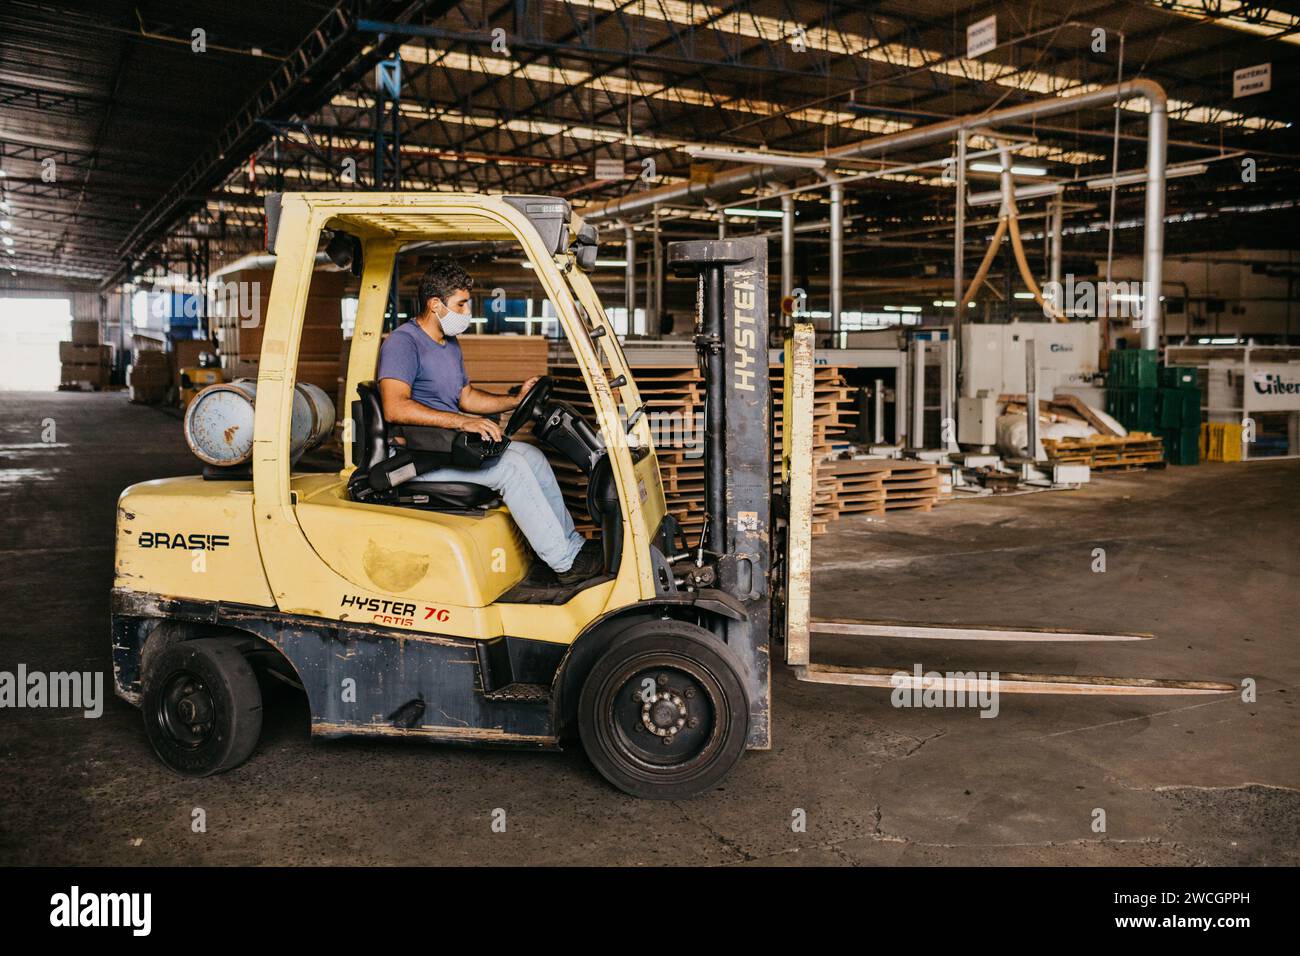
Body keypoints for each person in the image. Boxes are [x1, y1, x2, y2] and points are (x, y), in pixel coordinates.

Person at [377, 259, 604, 586]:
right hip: (421, 456)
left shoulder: (448, 344)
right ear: (435, 304)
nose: (467, 311)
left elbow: (466, 396)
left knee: (532, 458)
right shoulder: (404, 342)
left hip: (447, 447)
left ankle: (571, 546)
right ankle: (565, 563)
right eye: (461, 304)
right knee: (511, 470)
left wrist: (514, 400)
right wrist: (462, 423)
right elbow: (394, 408)